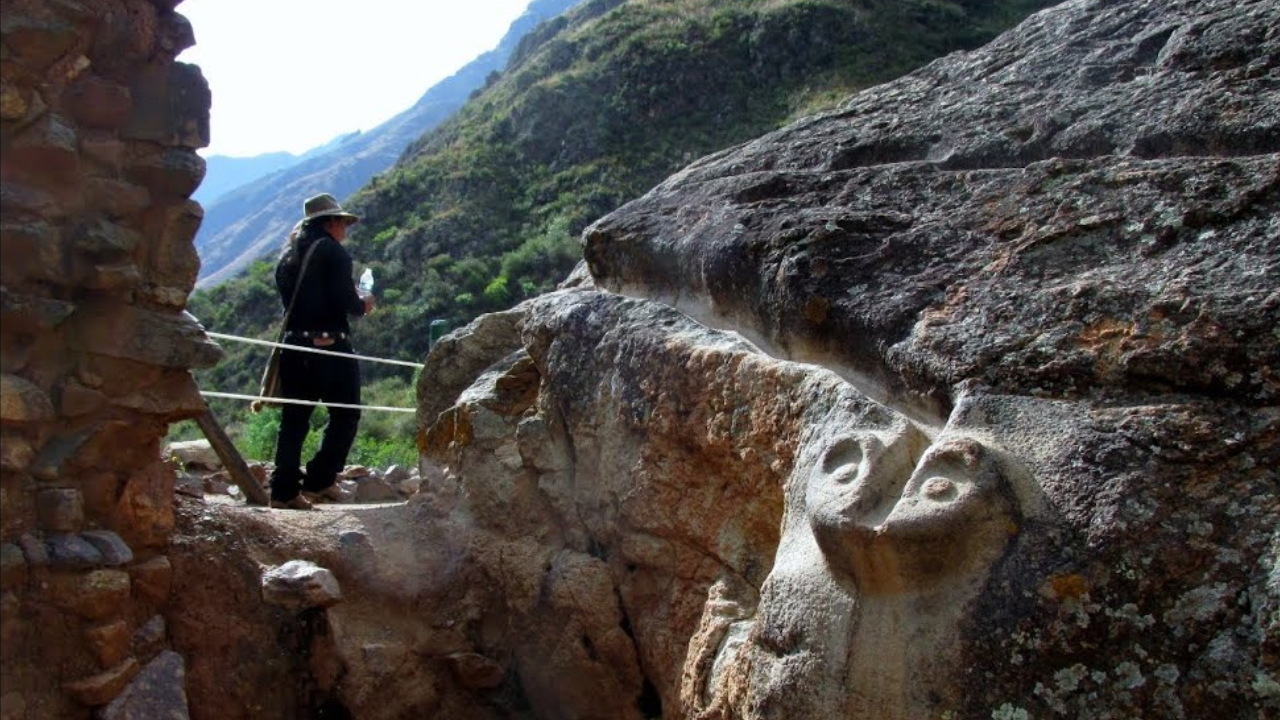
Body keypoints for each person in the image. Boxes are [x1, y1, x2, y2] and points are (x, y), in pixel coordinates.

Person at [268, 193, 376, 510]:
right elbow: (351, 305)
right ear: (330, 222)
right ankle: (320, 478)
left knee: (294, 420)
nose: (346, 228)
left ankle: (283, 490)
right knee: (346, 414)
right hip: (331, 346)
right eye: (343, 222)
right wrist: (365, 301)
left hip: (294, 345)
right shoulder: (333, 253)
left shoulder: (288, 256)